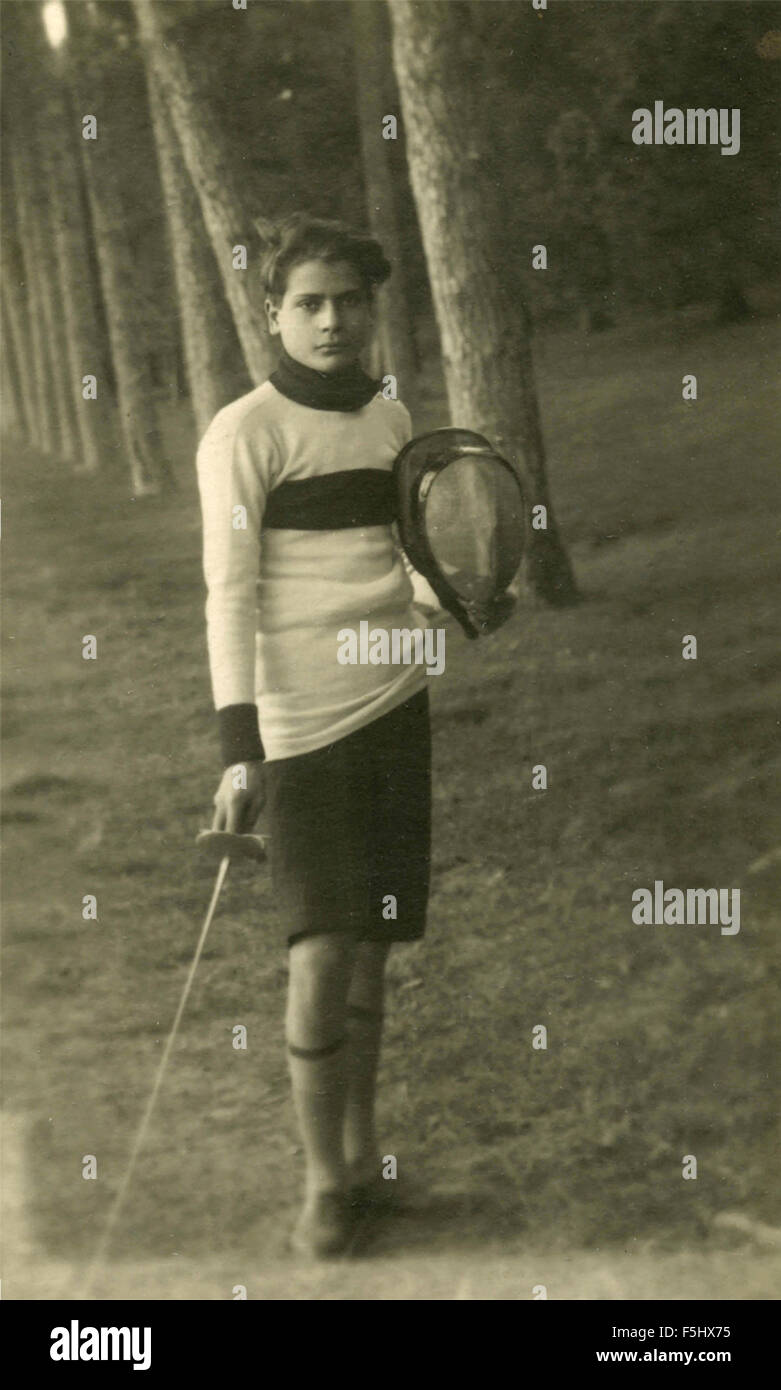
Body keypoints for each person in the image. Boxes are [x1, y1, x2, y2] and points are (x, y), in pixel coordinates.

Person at [196, 213, 436, 1258]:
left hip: (394, 698)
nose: (332, 320)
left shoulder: (389, 417)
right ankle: (320, 1181)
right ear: (273, 314)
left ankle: (367, 1158)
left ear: (371, 309)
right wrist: (237, 744)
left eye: (350, 301)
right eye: (310, 303)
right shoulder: (242, 433)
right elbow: (226, 591)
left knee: (375, 947)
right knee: (320, 947)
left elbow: (408, 548)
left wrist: (446, 597)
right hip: (297, 725)